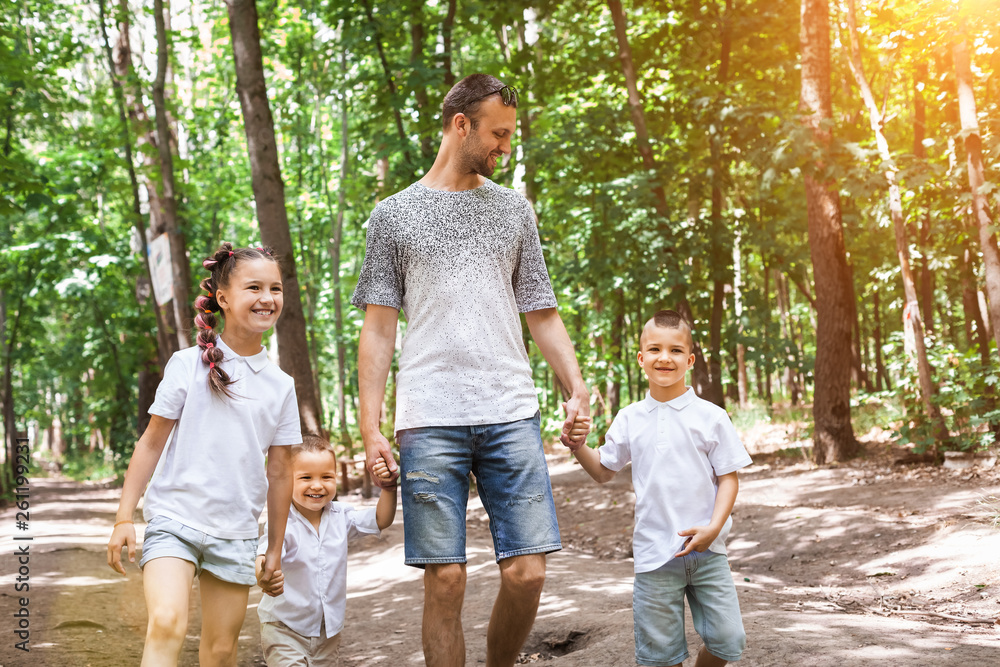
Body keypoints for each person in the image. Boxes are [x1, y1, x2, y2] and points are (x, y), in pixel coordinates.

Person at [351, 73, 591, 667]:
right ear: (462, 125)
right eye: (498, 133)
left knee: (528, 572)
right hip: (429, 417)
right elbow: (379, 330)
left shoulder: (513, 210)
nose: (505, 146)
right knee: (447, 580)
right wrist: (371, 426)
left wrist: (578, 387)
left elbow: (542, 312)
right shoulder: (393, 215)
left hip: (510, 410)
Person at [107, 243, 300, 667]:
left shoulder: (281, 385)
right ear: (223, 298)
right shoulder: (186, 364)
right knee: (167, 621)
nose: (267, 298)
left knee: (219, 651)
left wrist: (274, 549)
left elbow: (281, 470)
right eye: (254, 287)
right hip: (174, 521)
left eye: (276, 288)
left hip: (235, 533)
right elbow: (151, 442)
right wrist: (125, 517)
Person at [569, 310, 752, 667]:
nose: (664, 358)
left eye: (675, 350)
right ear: (641, 358)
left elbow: (729, 477)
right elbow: (605, 471)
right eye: (654, 349)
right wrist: (577, 446)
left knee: (729, 640)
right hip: (654, 556)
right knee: (661, 657)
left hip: (708, 551)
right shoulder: (629, 417)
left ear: (690, 359)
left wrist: (714, 527)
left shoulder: (712, 416)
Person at [255, 434, 397, 666]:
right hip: (284, 628)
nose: (317, 485)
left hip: (327, 632)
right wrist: (263, 576)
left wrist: (389, 488)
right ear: (286, 480)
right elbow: (265, 555)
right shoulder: (283, 521)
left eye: (326, 477)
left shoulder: (341, 516)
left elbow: (381, 519)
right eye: (306, 477)